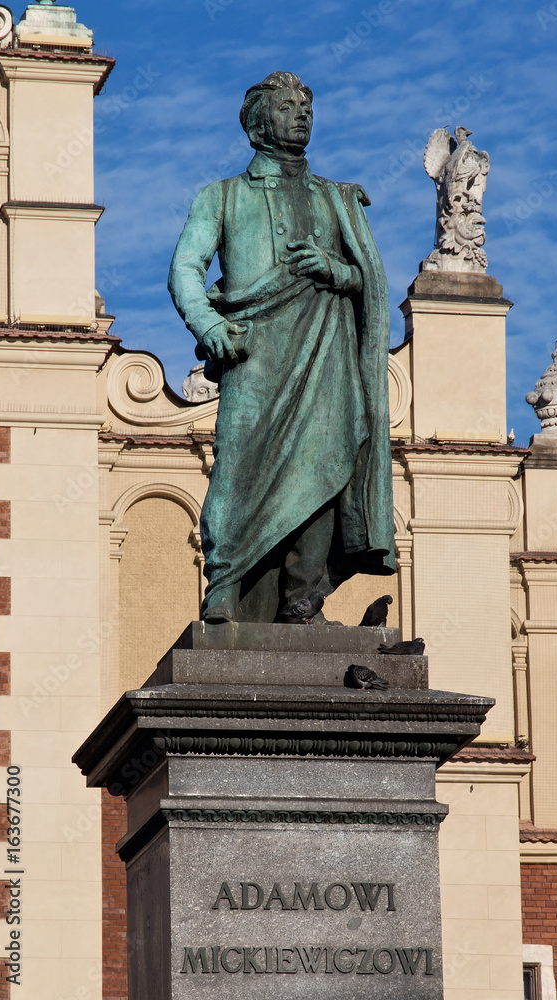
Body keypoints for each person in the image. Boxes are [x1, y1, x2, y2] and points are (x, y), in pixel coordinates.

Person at [168, 71, 395, 624]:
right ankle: (223, 586)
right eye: (288, 105)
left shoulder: (335, 198)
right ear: (255, 122)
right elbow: (184, 269)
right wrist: (208, 326)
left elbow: (369, 280)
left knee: (325, 463)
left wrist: (337, 271)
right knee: (237, 469)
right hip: (253, 353)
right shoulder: (221, 196)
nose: (301, 114)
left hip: (324, 352)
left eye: (306, 106)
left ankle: (302, 596)